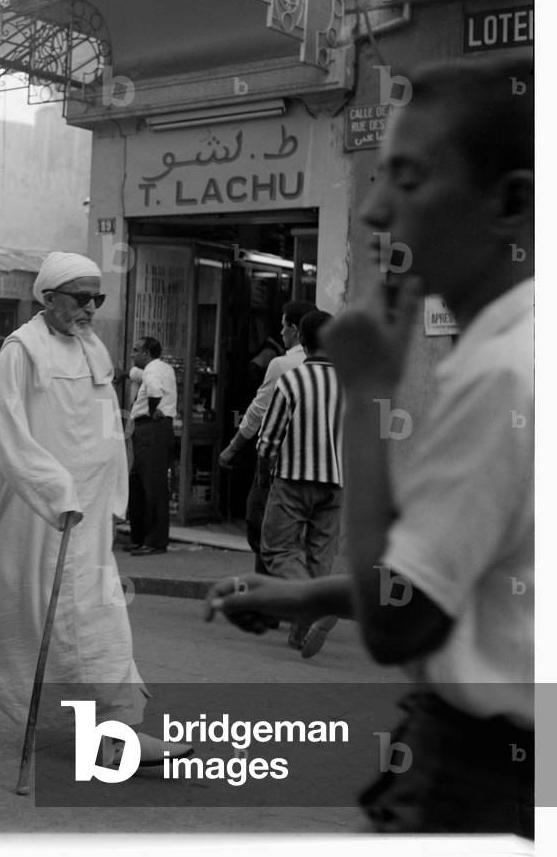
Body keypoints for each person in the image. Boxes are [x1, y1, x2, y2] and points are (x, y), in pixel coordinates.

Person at [208, 56, 533, 836]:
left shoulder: (503, 372)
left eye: (410, 179)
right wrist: (308, 593)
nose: (379, 209)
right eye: (379, 175)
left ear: (512, 202)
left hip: (477, 776)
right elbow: (463, 572)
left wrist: (367, 392)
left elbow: (400, 625)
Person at [0, 252, 192, 768]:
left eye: (97, 299)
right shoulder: (21, 350)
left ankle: (113, 733)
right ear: (48, 298)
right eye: (81, 299)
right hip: (23, 513)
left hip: (87, 518)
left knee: (99, 622)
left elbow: (103, 423)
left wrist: (113, 485)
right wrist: (54, 489)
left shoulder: (94, 348)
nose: (91, 310)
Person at [254, 309, 342, 654]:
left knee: (276, 548)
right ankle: (300, 631)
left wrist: (263, 473)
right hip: (335, 481)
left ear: (301, 341)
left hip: (294, 477)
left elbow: (269, 437)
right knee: (321, 556)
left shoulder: (292, 379)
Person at [219, 301, 318, 577]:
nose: (281, 332)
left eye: (283, 326)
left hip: (278, 461)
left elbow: (257, 413)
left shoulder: (282, 365)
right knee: (308, 536)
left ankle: (275, 595)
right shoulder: (336, 370)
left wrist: (232, 448)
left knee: (262, 525)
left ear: (296, 330)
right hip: (318, 464)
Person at [124, 336, 177, 555]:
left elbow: (154, 389)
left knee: (152, 485)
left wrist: (154, 408)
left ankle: (155, 540)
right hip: (152, 429)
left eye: (136, 350)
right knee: (138, 483)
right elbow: (136, 373)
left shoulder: (153, 370)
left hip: (152, 427)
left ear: (146, 353)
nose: (132, 353)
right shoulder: (160, 367)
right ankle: (140, 535)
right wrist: (122, 374)